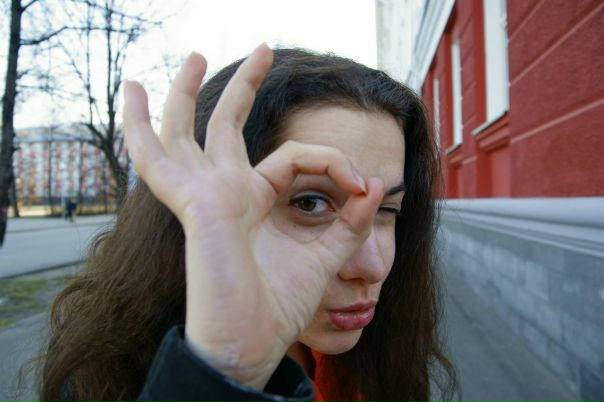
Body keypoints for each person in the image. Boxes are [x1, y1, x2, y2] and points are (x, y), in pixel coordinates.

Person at [39, 45, 456, 402]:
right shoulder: (105, 379)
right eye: (310, 203)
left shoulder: (378, 356)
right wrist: (219, 376)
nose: (373, 266)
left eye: (387, 210)